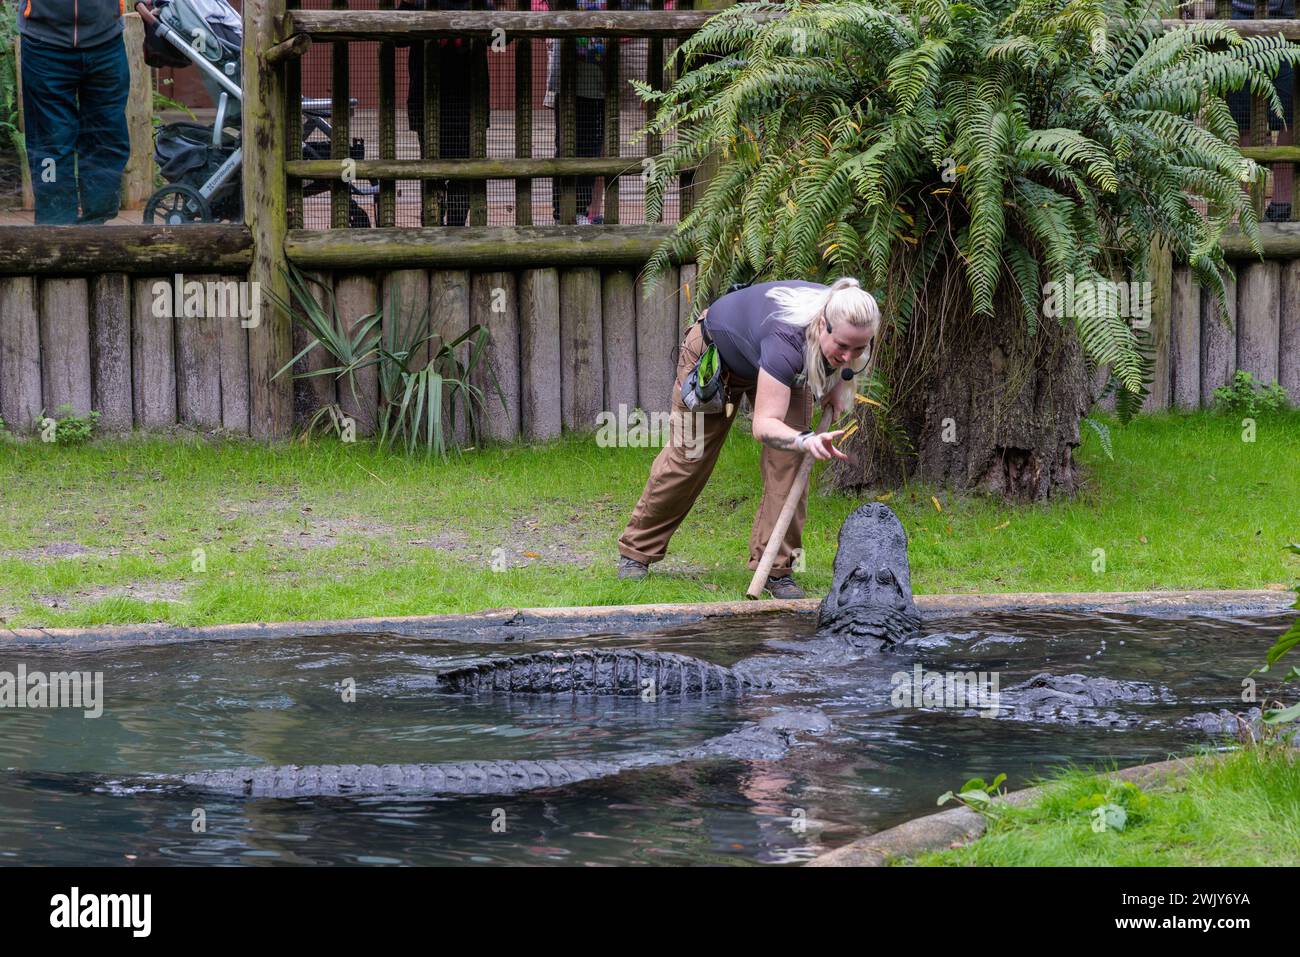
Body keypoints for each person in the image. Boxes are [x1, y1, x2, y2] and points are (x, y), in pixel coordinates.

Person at [617, 277, 880, 598]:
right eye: (842, 346)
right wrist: (805, 439)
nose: (848, 355)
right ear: (822, 324)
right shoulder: (787, 340)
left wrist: (841, 381)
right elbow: (763, 425)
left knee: (791, 463)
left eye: (859, 348)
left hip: (773, 362)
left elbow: (850, 350)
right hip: (718, 357)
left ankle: (777, 570)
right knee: (690, 457)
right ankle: (635, 552)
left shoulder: (849, 314)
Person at [17, 0, 132, 224]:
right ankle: (55, 229)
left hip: (106, 42)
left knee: (107, 139)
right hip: (45, 45)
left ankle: (95, 225)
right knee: (51, 145)